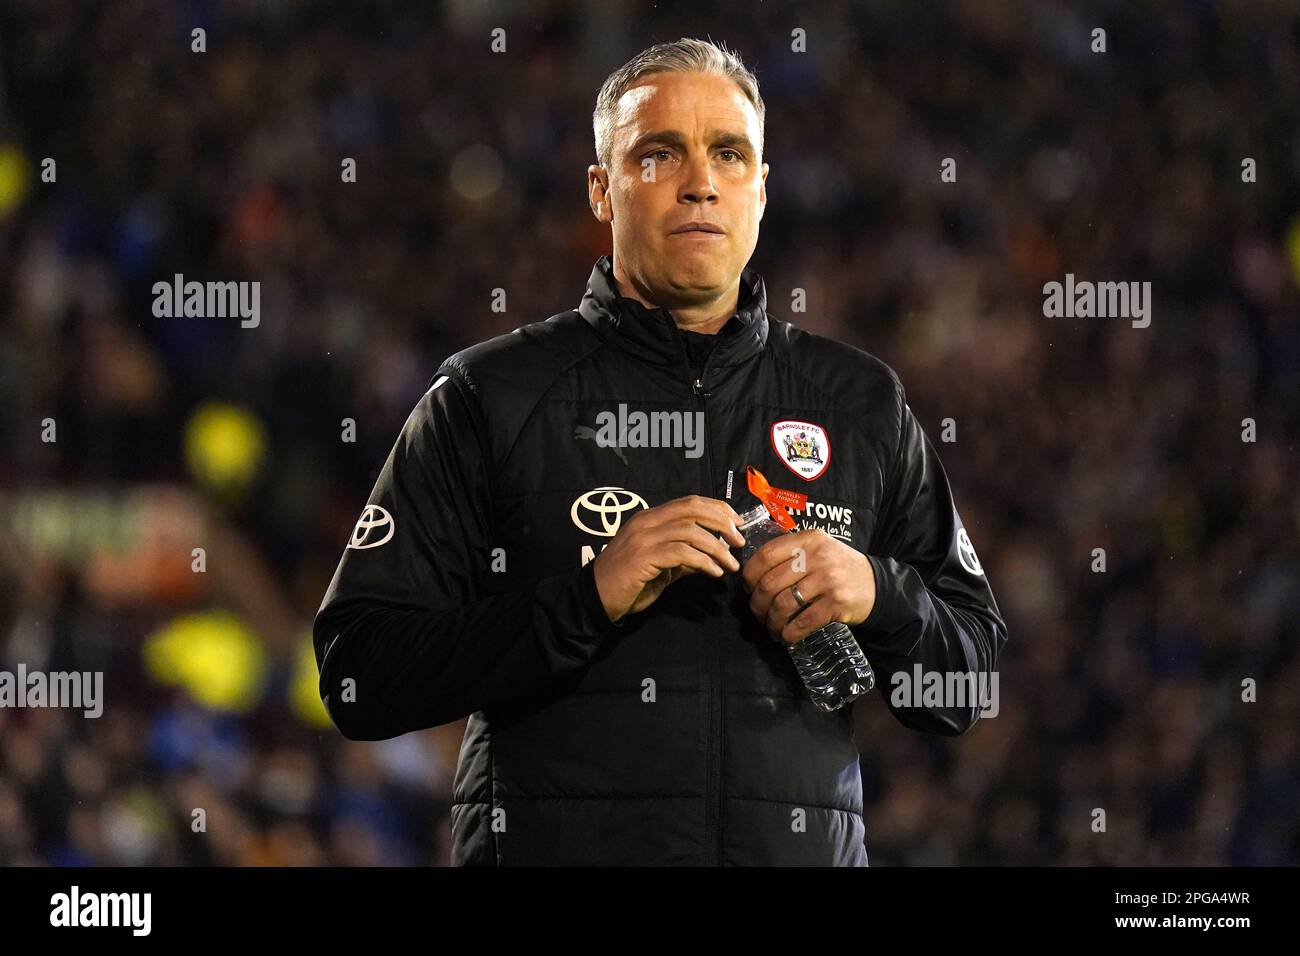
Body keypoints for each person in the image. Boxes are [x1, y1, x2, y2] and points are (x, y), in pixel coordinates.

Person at [313, 37, 1007, 866]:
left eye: (728, 153)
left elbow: (968, 684)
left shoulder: (857, 401)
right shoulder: (490, 396)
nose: (700, 181)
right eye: (659, 153)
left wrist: (879, 593)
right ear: (602, 192)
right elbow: (358, 675)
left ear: (760, 190)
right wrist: (586, 600)